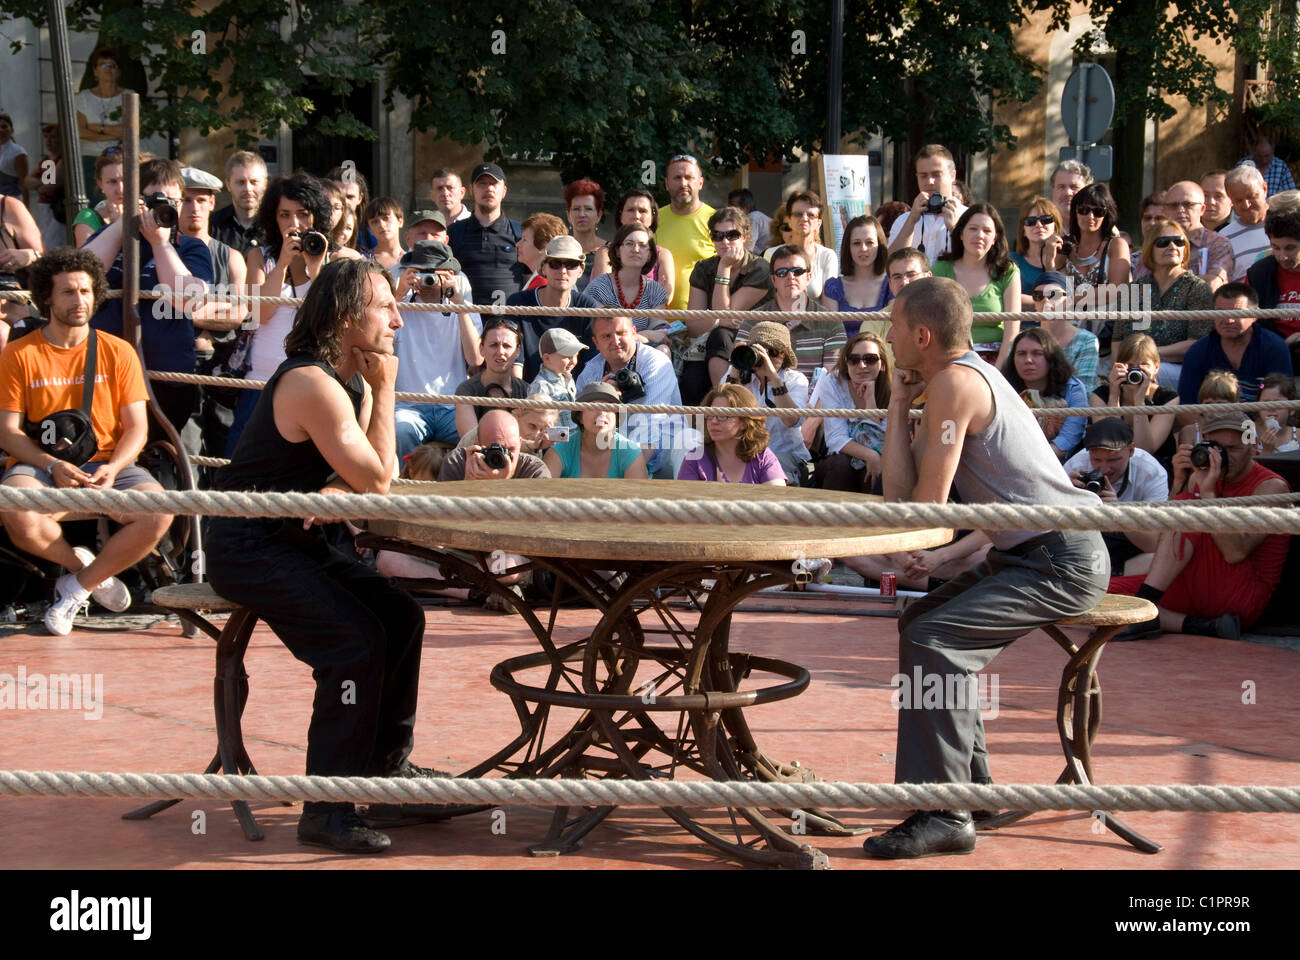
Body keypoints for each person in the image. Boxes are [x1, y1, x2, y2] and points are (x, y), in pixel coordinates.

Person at [861, 276, 1106, 859]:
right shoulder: (946, 383)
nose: (887, 336)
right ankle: (972, 792)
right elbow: (901, 498)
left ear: (922, 334)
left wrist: (914, 405)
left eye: (894, 326)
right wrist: (896, 402)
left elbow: (925, 511)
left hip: (1060, 560)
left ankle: (944, 809)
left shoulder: (955, 385)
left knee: (934, 638)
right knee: (920, 623)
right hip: (1027, 554)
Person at [207, 258, 437, 853]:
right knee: (352, 644)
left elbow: (358, 474)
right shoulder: (311, 381)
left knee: (400, 616)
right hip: (248, 543)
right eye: (386, 306)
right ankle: (327, 809)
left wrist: (342, 483)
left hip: (295, 535)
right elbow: (380, 480)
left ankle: (387, 771)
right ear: (344, 315)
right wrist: (386, 389)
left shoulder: (347, 380)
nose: (399, 320)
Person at [0, 248, 172, 635]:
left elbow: (137, 428)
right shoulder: (19, 354)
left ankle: (75, 588)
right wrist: (51, 465)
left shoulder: (118, 351)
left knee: (161, 510)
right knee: (15, 510)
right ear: (46, 297)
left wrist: (113, 467)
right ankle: (87, 572)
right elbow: (7, 431)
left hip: (110, 463)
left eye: (85, 291)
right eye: (68, 292)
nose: (79, 300)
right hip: (42, 464)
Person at [1108, 412, 1289, 641]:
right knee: (1102, 596)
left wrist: (1207, 495)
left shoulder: (1271, 487)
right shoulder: (1202, 477)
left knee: (1189, 508)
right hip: (1196, 581)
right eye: (1216, 448)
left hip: (1241, 592)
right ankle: (1199, 626)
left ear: (1253, 446)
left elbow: (1236, 553)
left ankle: (1145, 608)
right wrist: (1179, 482)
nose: (1222, 457)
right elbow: (1161, 542)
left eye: (1232, 449)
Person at [85, 157, 213, 433]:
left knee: (161, 452)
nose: (162, 206)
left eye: (172, 201)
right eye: (153, 199)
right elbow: (78, 274)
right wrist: (124, 223)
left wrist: (160, 244)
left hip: (166, 380)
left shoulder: (191, 247)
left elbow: (189, 300)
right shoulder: (108, 237)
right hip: (104, 376)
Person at [226, 172, 349, 454]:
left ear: (317, 215)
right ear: (273, 217)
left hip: (315, 384)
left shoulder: (339, 258)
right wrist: (282, 263)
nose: (295, 224)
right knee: (242, 466)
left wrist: (316, 266)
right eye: (285, 215)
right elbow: (260, 313)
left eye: (303, 214)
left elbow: (332, 318)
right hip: (260, 385)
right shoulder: (259, 256)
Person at [179, 165, 249, 459]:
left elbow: (242, 314)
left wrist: (185, 311)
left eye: (200, 199)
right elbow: (157, 310)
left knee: (226, 451)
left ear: (211, 202)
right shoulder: (163, 253)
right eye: (185, 199)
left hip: (224, 369)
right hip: (178, 364)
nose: (193, 207)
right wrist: (219, 309)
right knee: (187, 452)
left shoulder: (232, 257)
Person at [392, 240, 483, 458]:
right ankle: (404, 489)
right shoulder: (399, 307)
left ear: (450, 274)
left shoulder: (464, 309)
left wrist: (459, 304)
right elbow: (376, 340)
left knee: (475, 439)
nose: (428, 279)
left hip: (452, 407)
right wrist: (396, 295)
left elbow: (475, 359)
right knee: (401, 431)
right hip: (409, 407)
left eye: (434, 273)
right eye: (421, 272)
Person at [575, 313, 687, 479]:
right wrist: (605, 398)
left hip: (663, 455)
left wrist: (614, 474)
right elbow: (580, 425)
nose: (615, 341)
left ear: (634, 333)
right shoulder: (590, 372)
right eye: (606, 336)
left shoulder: (657, 362)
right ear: (595, 343)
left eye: (621, 333)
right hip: (612, 454)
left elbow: (649, 428)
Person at [1113, 218, 1213, 388]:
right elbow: (1117, 340)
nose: (1172, 246)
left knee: (1143, 376)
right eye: (1163, 242)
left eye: (1179, 241)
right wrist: (1119, 370)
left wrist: (1147, 356)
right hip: (1134, 368)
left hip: (1181, 371)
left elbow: (1197, 343)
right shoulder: (1135, 289)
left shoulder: (1197, 288)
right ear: (1150, 249)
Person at [685, 207, 772, 402]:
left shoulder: (760, 268)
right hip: (709, 343)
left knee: (720, 335)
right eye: (718, 236)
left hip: (753, 341)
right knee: (692, 378)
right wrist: (719, 321)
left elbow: (724, 312)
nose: (725, 242)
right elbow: (692, 325)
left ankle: (727, 405)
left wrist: (724, 268)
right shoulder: (703, 268)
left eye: (732, 235)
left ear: (745, 236)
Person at [1064, 418, 1168, 575]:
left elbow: (1152, 544)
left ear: (1131, 450)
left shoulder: (1151, 473)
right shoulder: (1077, 465)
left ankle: (1110, 575)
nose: (1104, 468)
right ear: (1089, 452)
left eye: (1114, 460)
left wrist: (1119, 513)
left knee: (1160, 558)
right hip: (1086, 541)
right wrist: (1068, 496)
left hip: (1131, 546)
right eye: (1097, 460)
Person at [734, 246, 846, 377]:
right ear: (773, 280)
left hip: (816, 396)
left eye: (797, 271)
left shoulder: (831, 322)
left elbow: (832, 380)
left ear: (809, 277)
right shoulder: (752, 320)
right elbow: (738, 371)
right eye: (782, 272)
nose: (790, 277)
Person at [932, 203, 1021, 366]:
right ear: (960, 234)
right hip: (951, 359)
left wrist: (999, 371)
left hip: (996, 359)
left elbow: (1012, 331)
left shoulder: (1008, 271)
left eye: (987, 231)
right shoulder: (940, 269)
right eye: (973, 229)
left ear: (995, 238)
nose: (979, 235)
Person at [1178, 282, 1292, 404]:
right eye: (1221, 312)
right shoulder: (1198, 351)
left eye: (1237, 313)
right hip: (1211, 422)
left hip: (1261, 422)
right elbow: (1186, 406)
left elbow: (1282, 404)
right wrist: (1200, 424)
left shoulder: (1274, 347)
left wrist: (1255, 424)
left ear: (1256, 315)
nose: (1229, 320)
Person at [505, 235, 599, 381]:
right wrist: (524, 401)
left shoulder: (587, 306)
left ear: (580, 271)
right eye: (555, 263)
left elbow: (592, 364)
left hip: (575, 395)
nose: (562, 271)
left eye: (571, 264)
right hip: (527, 395)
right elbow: (514, 363)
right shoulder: (518, 302)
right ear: (543, 268)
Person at [728, 321, 809, 485]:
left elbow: (791, 421)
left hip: (784, 455)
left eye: (771, 352)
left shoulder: (795, 380)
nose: (765, 357)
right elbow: (719, 411)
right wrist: (735, 370)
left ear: (783, 355)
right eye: (759, 350)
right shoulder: (740, 378)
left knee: (772, 478)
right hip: (744, 454)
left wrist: (774, 377)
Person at [810, 330, 891, 493]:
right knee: (842, 466)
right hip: (838, 459)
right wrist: (871, 456)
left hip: (879, 456)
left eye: (870, 359)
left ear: (881, 364)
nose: (861, 365)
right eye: (854, 360)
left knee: (877, 472)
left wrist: (870, 401)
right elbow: (835, 439)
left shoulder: (891, 388)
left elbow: (881, 440)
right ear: (846, 364)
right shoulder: (832, 383)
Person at [1091, 333, 1180, 476]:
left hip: (1155, 470)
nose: (1135, 371)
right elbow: (1111, 442)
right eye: (1130, 366)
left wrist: (1139, 400)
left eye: (1143, 365)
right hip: (1112, 468)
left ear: (1156, 368)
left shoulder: (1168, 399)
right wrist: (1114, 394)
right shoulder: (1100, 396)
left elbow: (1143, 451)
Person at [1001, 326, 1088, 460]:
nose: (1028, 360)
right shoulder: (1002, 388)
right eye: (1021, 353)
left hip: (1060, 465)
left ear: (1051, 357)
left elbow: (1068, 438)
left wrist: (1035, 462)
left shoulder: (1073, 388)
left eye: (1037, 353)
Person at [678, 383, 784, 485]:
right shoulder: (695, 458)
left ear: (744, 422)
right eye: (710, 414)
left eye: (723, 415)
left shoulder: (762, 457)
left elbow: (778, 500)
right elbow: (685, 501)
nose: (713, 421)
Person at [447, 162, 522, 304]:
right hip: (465, 319)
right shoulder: (454, 232)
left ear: (504, 191)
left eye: (494, 183)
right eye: (482, 184)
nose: (489, 189)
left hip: (509, 321)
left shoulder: (520, 233)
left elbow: (531, 278)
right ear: (471, 190)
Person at [543, 381, 648, 479]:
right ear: (580, 417)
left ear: (616, 416)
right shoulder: (560, 451)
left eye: (608, 407)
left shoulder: (631, 453)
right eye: (593, 407)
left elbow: (637, 497)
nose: (601, 413)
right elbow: (543, 493)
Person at [590, 188, 676, 306]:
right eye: (630, 210)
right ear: (620, 216)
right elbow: (602, 296)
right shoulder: (605, 253)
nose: (636, 216)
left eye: (642, 211)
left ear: (652, 217)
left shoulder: (663, 255)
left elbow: (666, 296)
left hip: (651, 321)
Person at [656, 153, 714, 310]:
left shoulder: (716, 221)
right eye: (677, 178)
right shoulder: (653, 220)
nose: (683, 183)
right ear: (667, 184)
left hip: (702, 321)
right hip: (657, 323)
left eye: (689, 177)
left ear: (700, 182)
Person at [585, 222, 670, 329]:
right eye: (629, 243)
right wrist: (642, 336)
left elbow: (659, 332)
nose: (636, 250)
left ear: (649, 255)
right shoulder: (598, 288)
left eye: (643, 245)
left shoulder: (655, 290)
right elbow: (611, 333)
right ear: (617, 251)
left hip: (647, 346)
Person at [453, 318, 530, 436]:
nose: (500, 352)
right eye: (494, 345)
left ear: (517, 351)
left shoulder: (527, 391)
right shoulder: (466, 391)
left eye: (507, 346)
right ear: (481, 349)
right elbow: (469, 439)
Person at [887, 144, 966, 258]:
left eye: (936, 174)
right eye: (923, 176)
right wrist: (911, 222)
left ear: (952, 175)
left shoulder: (969, 218)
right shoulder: (904, 220)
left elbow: (976, 262)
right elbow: (891, 263)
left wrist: (955, 229)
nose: (930, 181)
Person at [819, 214, 892, 335]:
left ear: (880, 245)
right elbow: (830, 335)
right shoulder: (833, 287)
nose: (863, 248)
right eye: (856, 243)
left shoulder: (892, 284)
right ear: (848, 247)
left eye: (870, 242)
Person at [1246, 192, 1300, 347]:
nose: (1282, 256)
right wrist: (1281, 345)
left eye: (1290, 248)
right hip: (1275, 354)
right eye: (1276, 248)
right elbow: (1250, 326)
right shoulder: (1259, 274)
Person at [437, 408, 551, 480]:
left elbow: (539, 517)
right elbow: (440, 515)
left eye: (510, 450)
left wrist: (502, 484)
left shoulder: (534, 471)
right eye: (494, 450)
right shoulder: (458, 462)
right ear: (478, 446)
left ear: (520, 443)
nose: (504, 457)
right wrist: (468, 484)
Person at [1161, 180, 1234, 292]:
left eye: (1188, 204)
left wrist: (1163, 284)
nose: (1181, 210)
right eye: (1174, 205)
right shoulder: (1156, 244)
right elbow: (1137, 292)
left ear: (1202, 209)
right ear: (1165, 211)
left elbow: (1211, 287)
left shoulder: (1218, 244)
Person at [75, 48, 128, 201]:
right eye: (103, 65)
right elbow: (80, 131)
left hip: (119, 158)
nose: (108, 69)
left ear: (118, 71)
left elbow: (128, 132)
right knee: (91, 201)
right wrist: (114, 133)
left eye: (112, 65)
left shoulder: (128, 95)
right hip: (89, 157)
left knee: (118, 199)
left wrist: (97, 128)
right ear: (95, 71)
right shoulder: (84, 97)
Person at [1033, 270, 1098, 390]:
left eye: (1053, 295)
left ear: (1069, 301)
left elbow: (1084, 390)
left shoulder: (1086, 341)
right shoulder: (1023, 340)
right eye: (1038, 295)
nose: (1045, 300)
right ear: (1035, 303)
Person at [1063, 182, 1131, 296]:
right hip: (1069, 313)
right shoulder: (1066, 249)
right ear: (1075, 212)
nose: (1090, 216)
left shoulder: (1116, 245)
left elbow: (1117, 290)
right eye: (1083, 209)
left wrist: (1072, 299)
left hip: (1108, 313)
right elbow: (1054, 286)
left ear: (1107, 215)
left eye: (1098, 211)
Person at [0, 182, 44, 349]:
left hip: (8, 301)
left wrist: (28, 255)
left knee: (2, 335)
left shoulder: (9, 207)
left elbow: (45, 258)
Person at [774, 190, 838, 299]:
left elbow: (829, 304)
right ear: (789, 220)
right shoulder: (772, 254)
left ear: (819, 223)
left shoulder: (827, 256)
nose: (804, 218)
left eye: (811, 215)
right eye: (798, 214)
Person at [1010, 197, 1066, 306]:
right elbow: (1004, 296)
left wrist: (1050, 264)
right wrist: (1043, 302)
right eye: (1031, 221)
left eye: (1046, 219)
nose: (1039, 225)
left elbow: (1062, 300)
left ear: (1056, 225)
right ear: (1023, 230)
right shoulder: (1011, 260)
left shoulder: (1067, 260)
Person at [210, 150, 267, 255]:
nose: (248, 188)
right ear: (228, 185)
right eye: (241, 182)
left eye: (254, 182)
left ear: (265, 184)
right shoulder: (212, 226)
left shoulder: (275, 226)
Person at [1220, 164, 1270, 281]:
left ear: (1264, 189)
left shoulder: (1287, 223)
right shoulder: (1224, 239)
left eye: (1251, 196)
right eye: (1238, 200)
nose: (1246, 205)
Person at [528, 326, 583, 429]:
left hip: (572, 435)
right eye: (568, 356)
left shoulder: (568, 378)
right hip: (555, 440)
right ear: (547, 358)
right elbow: (536, 419)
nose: (574, 361)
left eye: (576, 356)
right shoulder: (540, 386)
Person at [71, 151, 125, 246]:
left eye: (126, 180)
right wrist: (115, 227)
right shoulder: (89, 217)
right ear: (100, 183)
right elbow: (89, 259)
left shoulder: (146, 211)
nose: (120, 190)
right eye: (112, 182)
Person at [562, 178, 606, 291]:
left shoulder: (611, 251)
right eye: (576, 209)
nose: (582, 214)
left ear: (599, 215)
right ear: (568, 215)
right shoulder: (559, 249)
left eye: (588, 209)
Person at [515, 211, 568, 291]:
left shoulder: (544, 286)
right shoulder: (545, 280)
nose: (517, 244)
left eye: (524, 239)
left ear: (544, 246)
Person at [1255, 372, 1299, 453]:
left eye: (1277, 403)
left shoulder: (1298, 436)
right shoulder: (1249, 433)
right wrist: (1266, 450)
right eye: (1266, 402)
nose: (1271, 408)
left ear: (1292, 409)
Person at [1130, 190, 1167, 281]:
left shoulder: (1178, 258)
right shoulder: (1131, 262)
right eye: (1147, 218)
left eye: (1159, 218)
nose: (1152, 223)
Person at [363, 197, 405, 271]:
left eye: (386, 218)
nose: (381, 225)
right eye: (375, 222)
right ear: (370, 230)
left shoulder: (411, 260)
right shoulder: (363, 260)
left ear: (400, 221)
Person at [728, 188, 771, 255]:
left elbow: (746, 249)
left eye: (733, 207)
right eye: (728, 206)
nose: (729, 211)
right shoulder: (754, 217)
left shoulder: (753, 218)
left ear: (747, 208)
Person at [0, 113, 30, 202]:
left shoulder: (18, 153)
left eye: (4, 127)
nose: (1, 130)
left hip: (12, 202)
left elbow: (24, 183)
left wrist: (25, 208)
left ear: (11, 130)